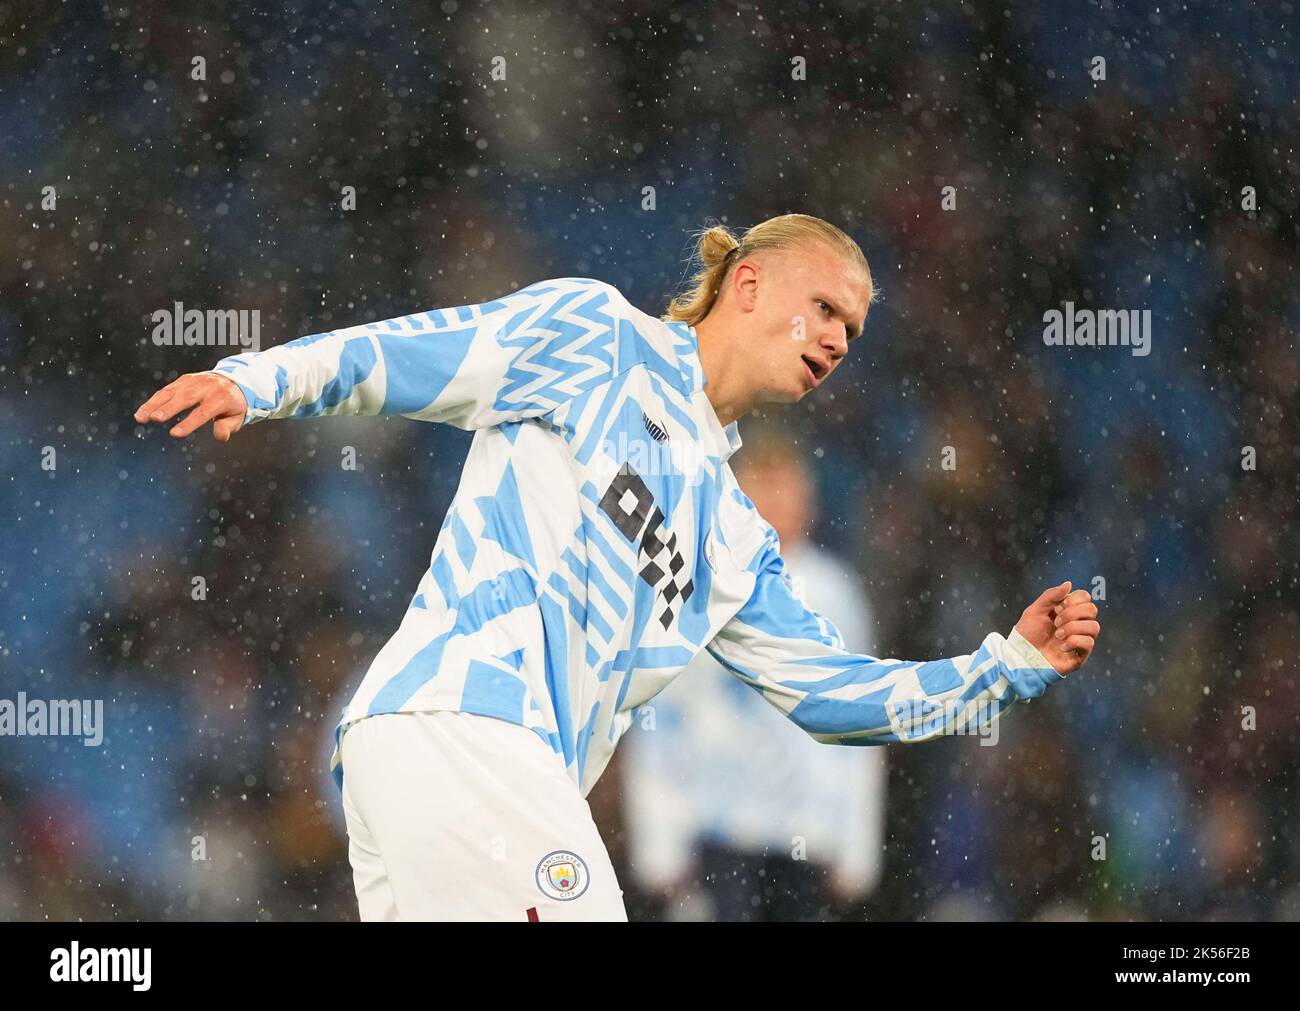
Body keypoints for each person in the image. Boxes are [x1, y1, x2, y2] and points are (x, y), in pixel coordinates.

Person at [133, 213, 1101, 921]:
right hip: (465, 727)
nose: (840, 339)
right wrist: (256, 380)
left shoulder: (731, 534)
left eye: (852, 328)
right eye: (825, 307)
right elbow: (415, 354)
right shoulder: (594, 338)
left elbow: (837, 697)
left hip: (464, 764)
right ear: (748, 285)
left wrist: (1007, 666)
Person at [619, 432, 886, 921]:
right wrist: (658, 837)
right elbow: (659, 710)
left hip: (805, 833)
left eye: (790, 488)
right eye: (767, 487)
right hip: (717, 830)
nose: (781, 504)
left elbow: (863, 720)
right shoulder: (699, 581)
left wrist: (856, 842)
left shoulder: (834, 592)